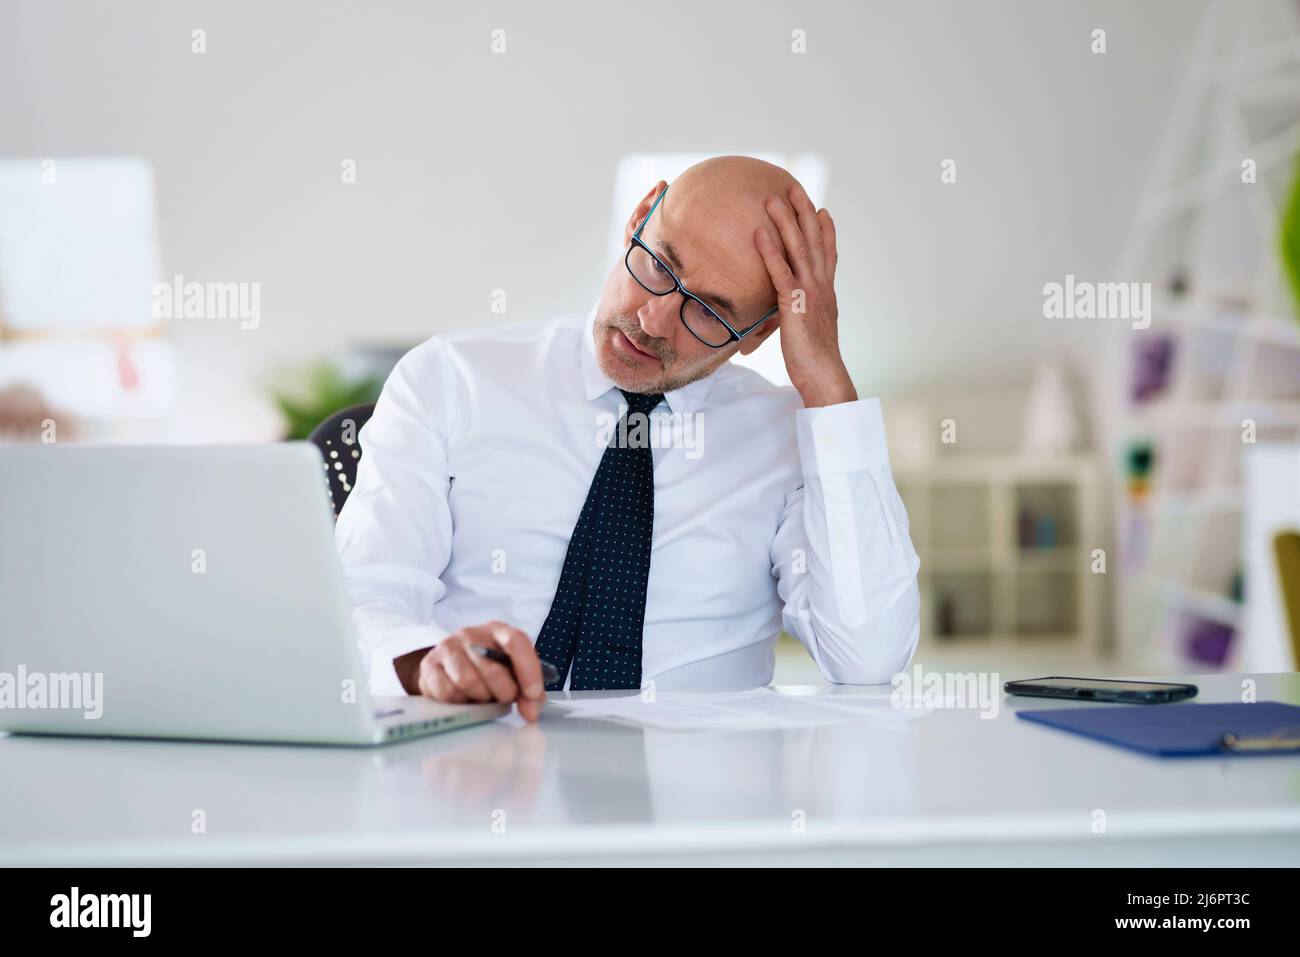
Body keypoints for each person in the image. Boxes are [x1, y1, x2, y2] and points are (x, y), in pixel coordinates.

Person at [336, 155, 920, 722]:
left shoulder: (788, 434)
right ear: (638, 218)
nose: (653, 320)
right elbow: (367, 589)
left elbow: (868, 657)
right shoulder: (450, 379)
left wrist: (826, 383)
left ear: (761, 331)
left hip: (697, 797)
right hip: (477, 766)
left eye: (710, 313)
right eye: (660, 267)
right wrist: (422, 661)